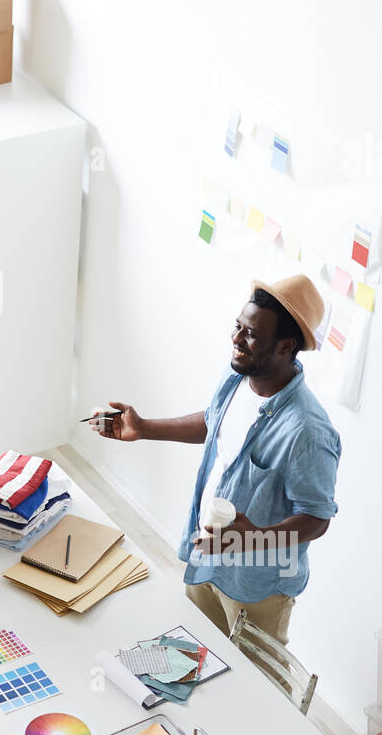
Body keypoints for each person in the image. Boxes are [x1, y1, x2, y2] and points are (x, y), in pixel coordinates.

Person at [90, 276, 341, 650]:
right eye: (238, 327)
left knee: (257, 686)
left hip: (258, 583)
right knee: (192, 657)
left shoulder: (307, 430)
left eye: (251, 334)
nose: (237, 339)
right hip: (206, 552)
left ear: (286, 346)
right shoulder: (238, 375)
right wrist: (143, 428)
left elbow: (317, 519)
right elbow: (214, 422)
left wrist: (252, 538)